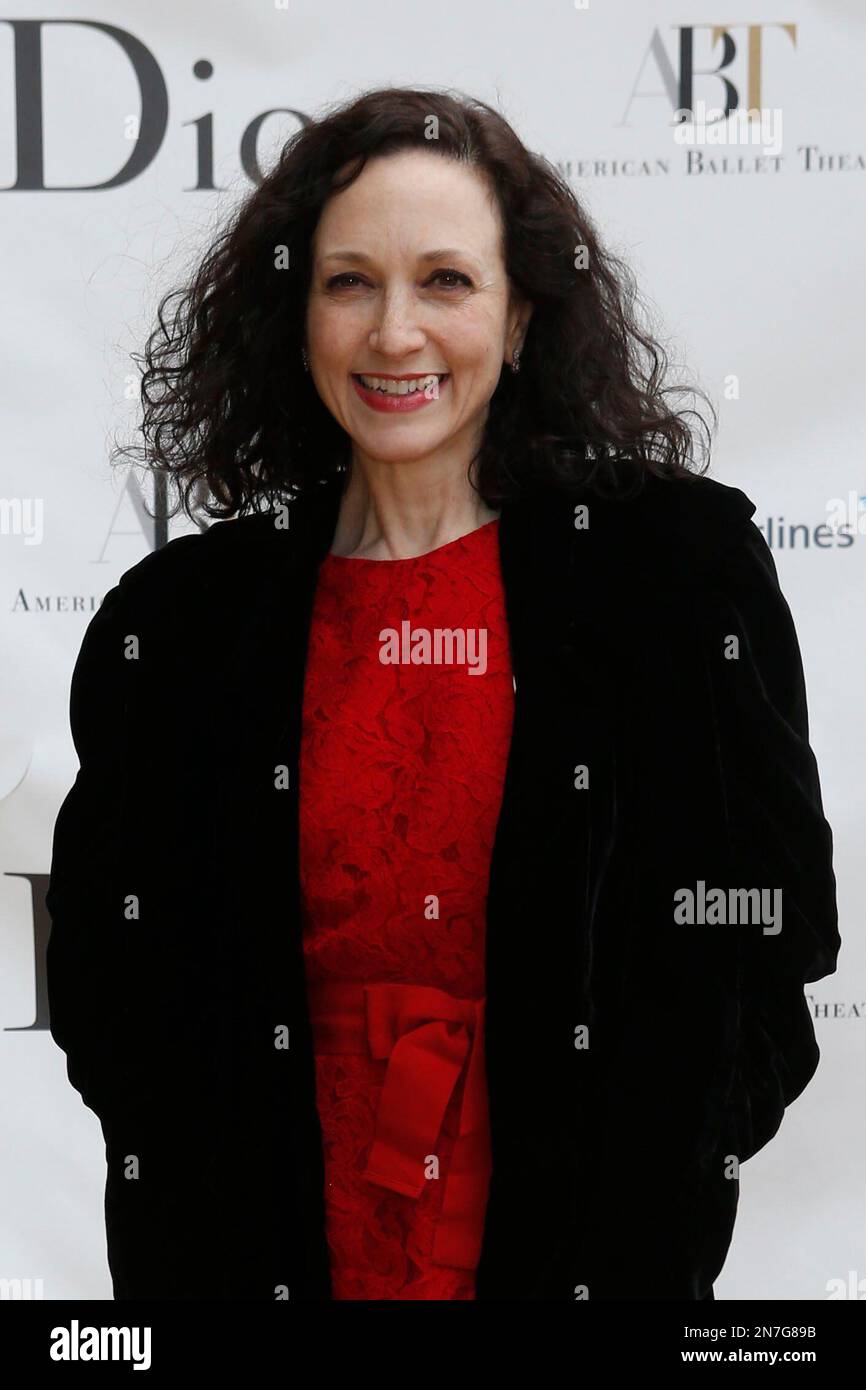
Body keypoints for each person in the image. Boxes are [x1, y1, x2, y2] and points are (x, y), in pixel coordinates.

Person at [45, 86, 840, 1301]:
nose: (393, 334)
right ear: (293, 313)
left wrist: (659, 1179)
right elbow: (105, 967)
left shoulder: (670, 576)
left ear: (521, 315)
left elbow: (764, 918)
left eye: (446, 282)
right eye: (349, 281)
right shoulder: (182, 623)